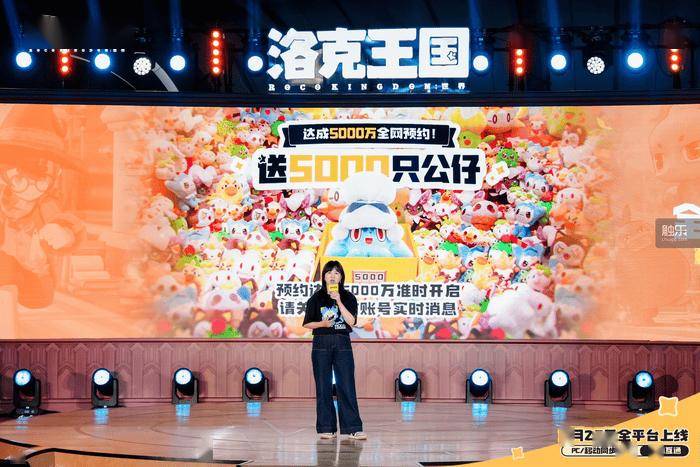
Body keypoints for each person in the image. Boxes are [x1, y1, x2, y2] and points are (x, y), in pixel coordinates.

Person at [303, 260, 367, 440]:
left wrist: (338, 300)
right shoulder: (316, 298)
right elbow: (307, 323)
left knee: (346, 384)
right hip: (321, 343)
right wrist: (323, 324)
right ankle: (327, 427)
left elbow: (351, 321)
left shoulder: (348, 297)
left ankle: (353, 427)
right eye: (329, 272)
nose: (332, 276)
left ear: (341, 277)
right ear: (324, 277)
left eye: (336, 273)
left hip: (342, 342)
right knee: (323, 386)